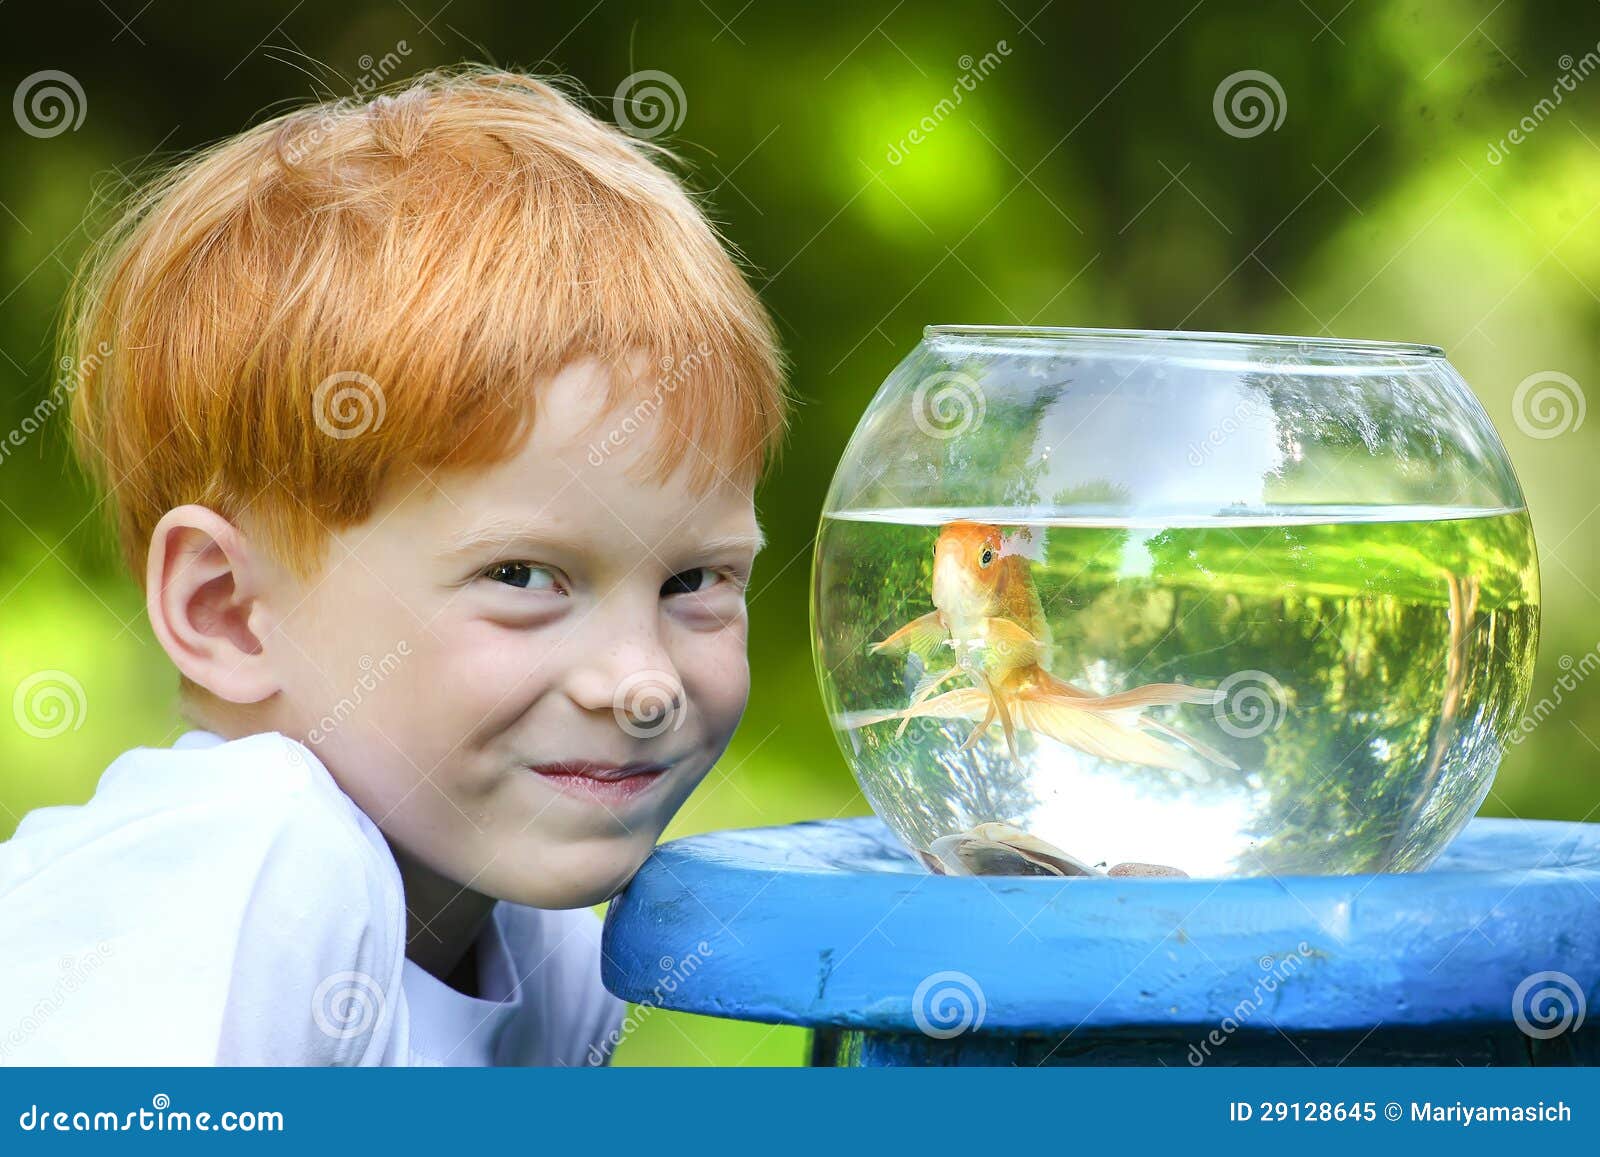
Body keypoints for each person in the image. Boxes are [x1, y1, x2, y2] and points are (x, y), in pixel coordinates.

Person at [0, 67, 788, 1065]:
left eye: (693, 582)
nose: (643, 682)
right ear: (231, 611)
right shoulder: (258, 864)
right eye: (522, 575)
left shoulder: (545, 953)